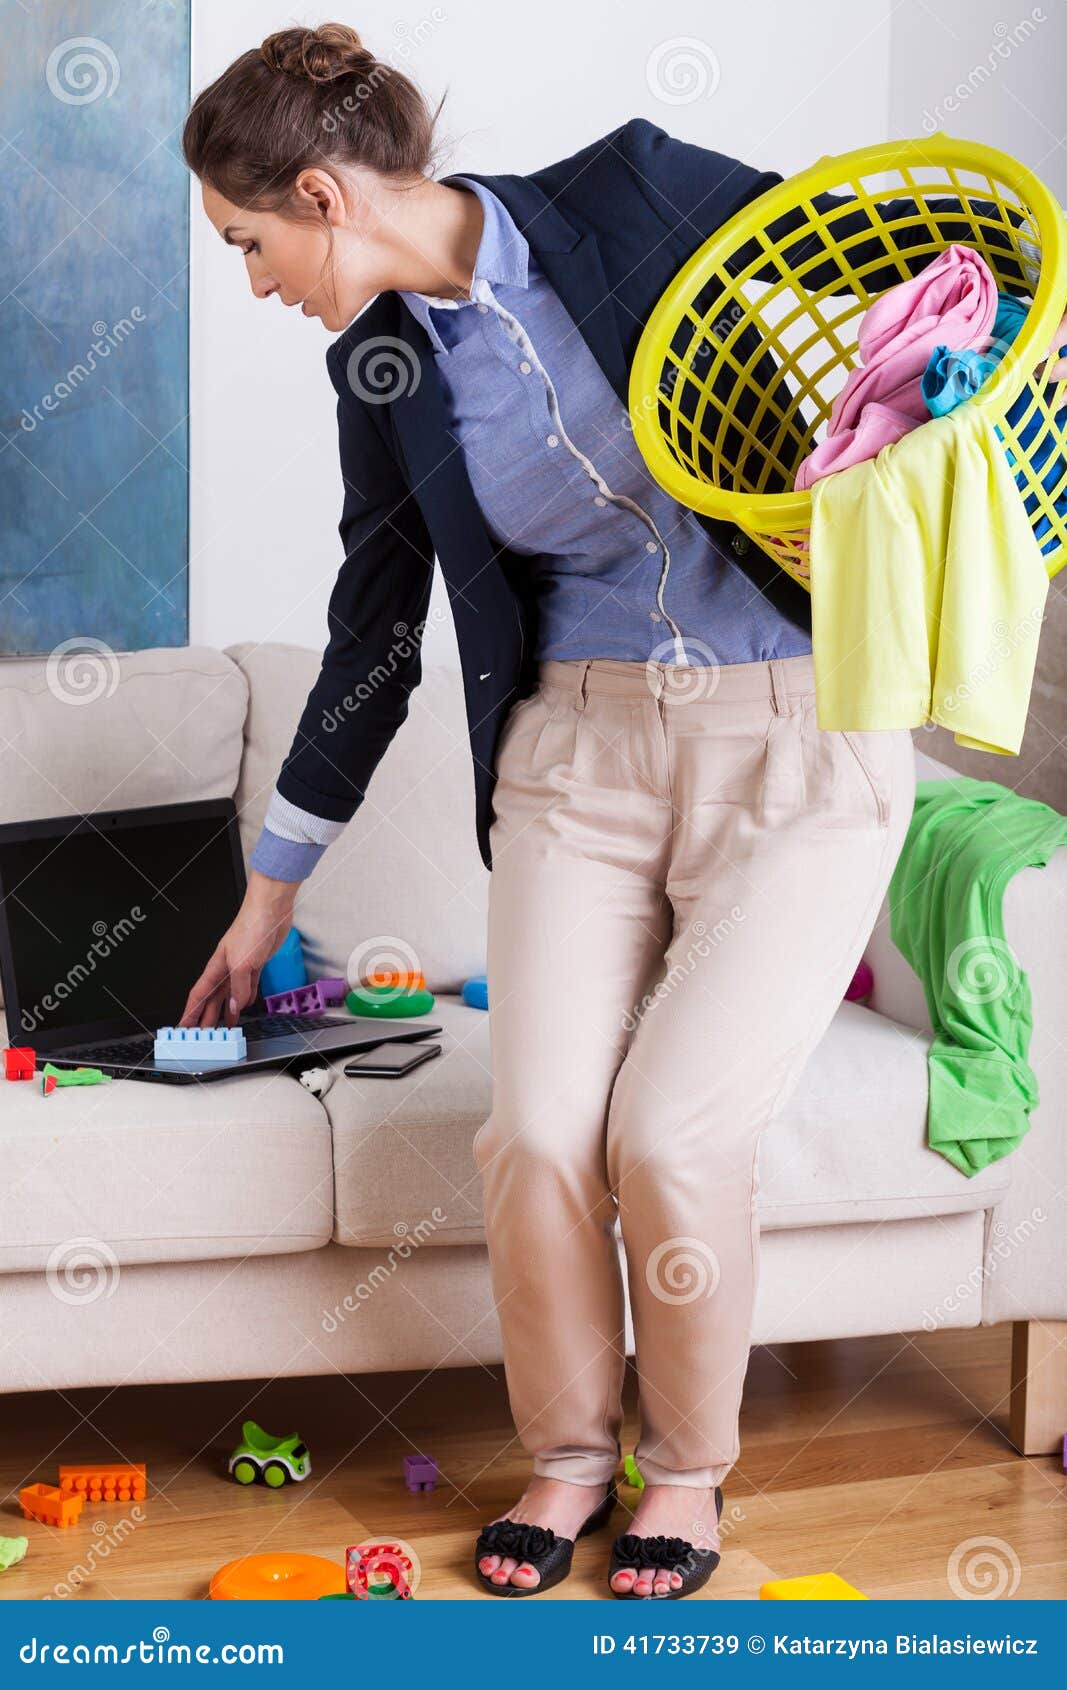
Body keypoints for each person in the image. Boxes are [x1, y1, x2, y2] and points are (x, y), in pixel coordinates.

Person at [179, 23, 1057, 1599]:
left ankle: (693, 1470)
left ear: (321, 192)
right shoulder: (376, 366)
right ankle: (573, 1452)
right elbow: (377, 622)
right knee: (532, 1131)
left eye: (249, 244)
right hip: (573, 763)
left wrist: (947, 383)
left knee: (671, 1128)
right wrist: (269, 893)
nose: (254, 280)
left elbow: (902, 257)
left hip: (795, 737)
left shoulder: (633, 194)